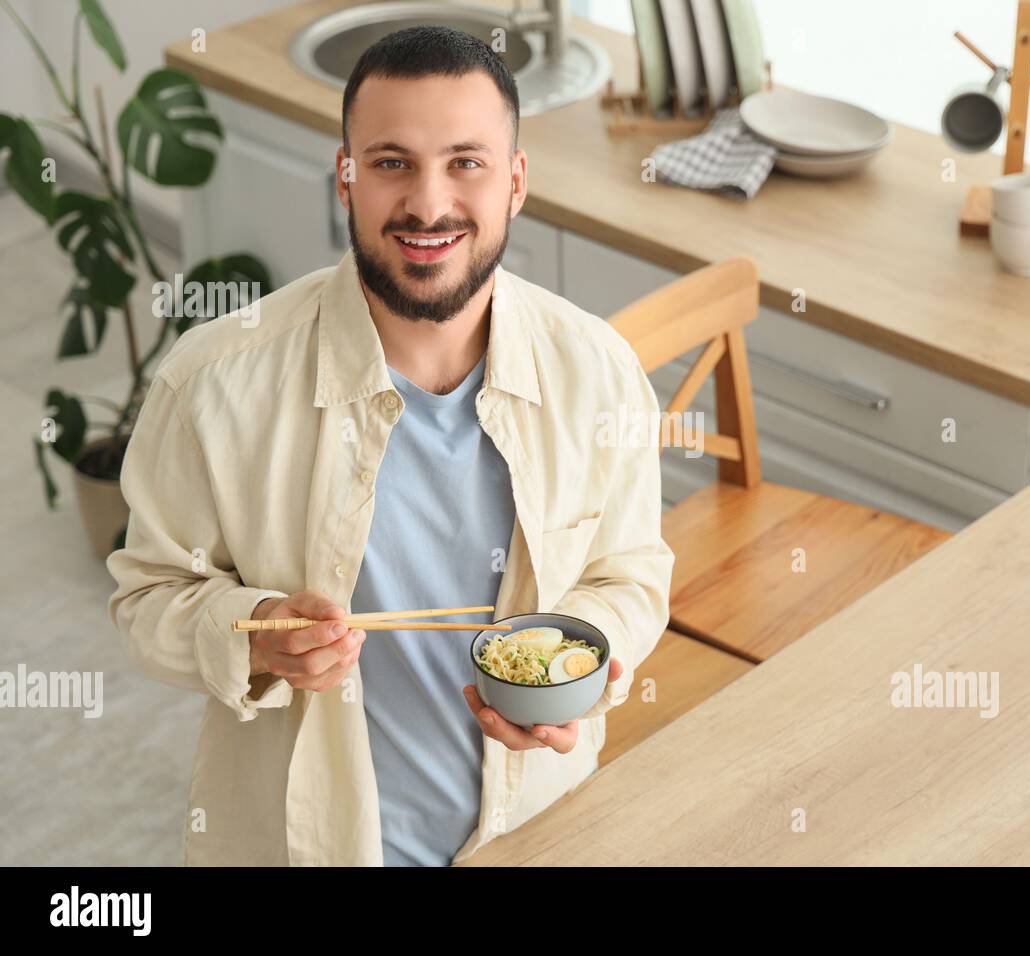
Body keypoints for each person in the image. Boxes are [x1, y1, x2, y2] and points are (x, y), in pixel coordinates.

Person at [106, 26, 673, 866]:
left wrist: (574, 660)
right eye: (392, 162)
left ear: (515, 183)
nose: (428, 204)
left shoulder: (598, 373)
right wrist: (253, 630)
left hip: (543, 828)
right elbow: (146, 597)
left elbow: (630, 573)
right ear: (347, 177)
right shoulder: (210, 384)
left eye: (466, 162)